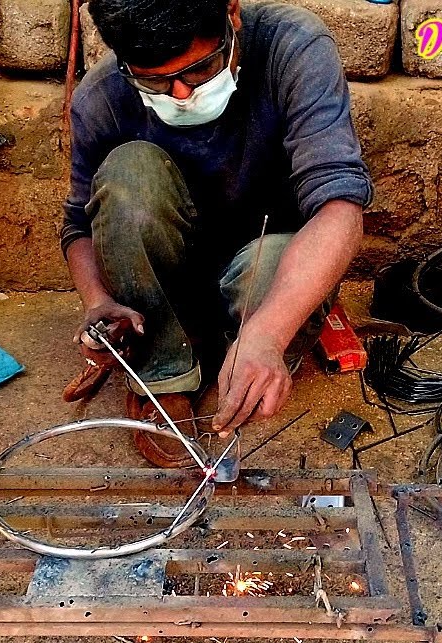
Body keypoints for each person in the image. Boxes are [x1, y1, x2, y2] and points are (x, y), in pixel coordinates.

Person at [60, 0, 372, 467]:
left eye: (200, 69)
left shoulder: (294, 47)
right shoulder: (102, 95)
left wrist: (268, 334)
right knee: (129, 173)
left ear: (232, 14)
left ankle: (242, 353)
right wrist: (98, 301)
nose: (182, 94)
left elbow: (340, 207)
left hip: (268, 275)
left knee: (267, 274)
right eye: (155, 81)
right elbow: (77, 227)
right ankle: (163, 373)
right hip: (168, 287)